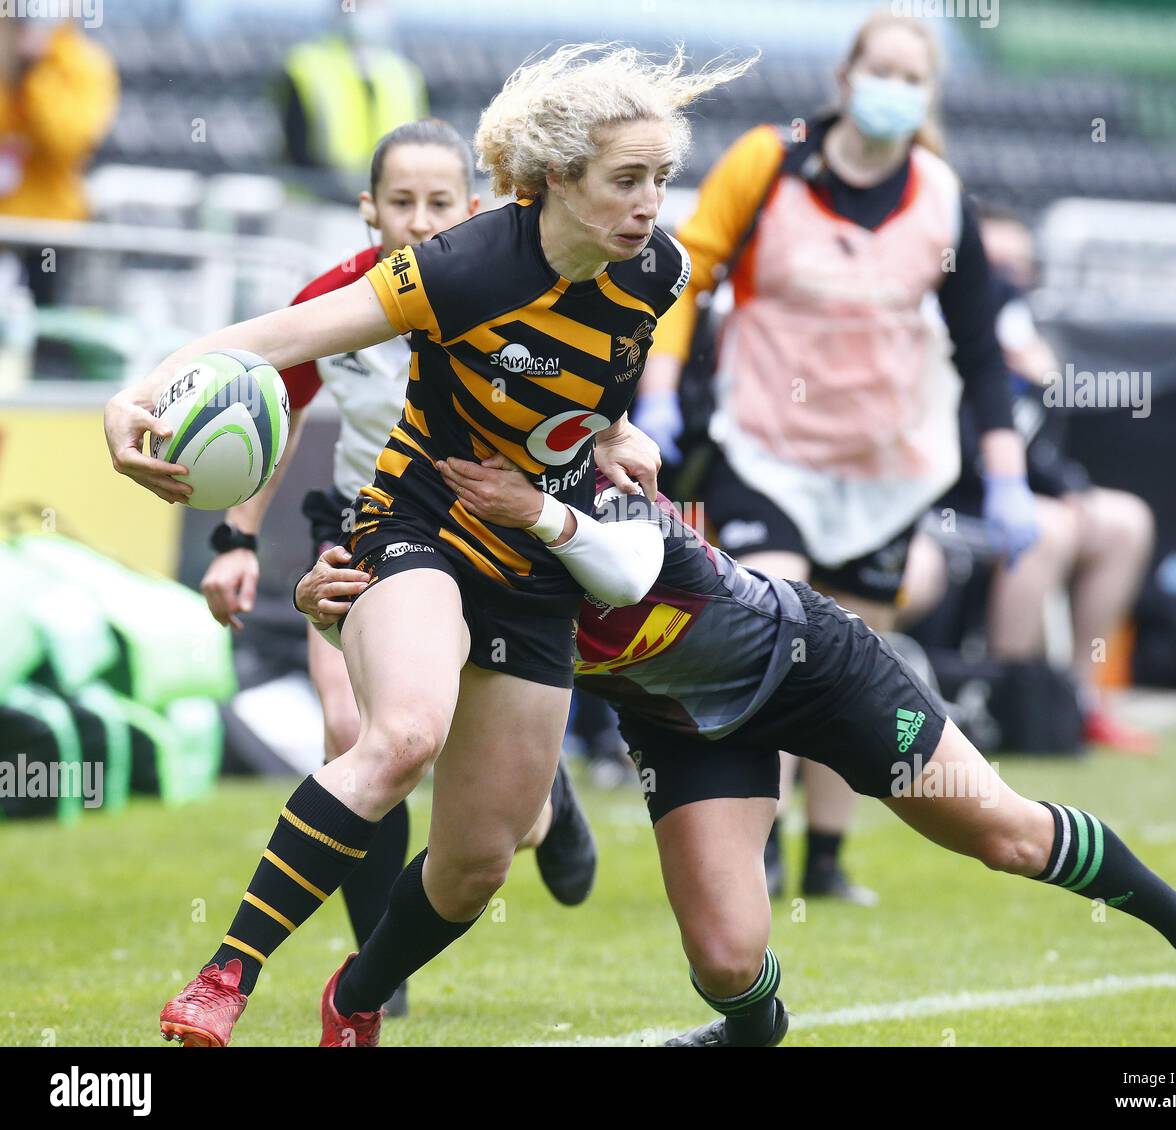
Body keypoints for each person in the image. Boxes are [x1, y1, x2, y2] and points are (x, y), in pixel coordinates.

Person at [104, 42, 754, 1047]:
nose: (650, 205)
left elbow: (585, 389)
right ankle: (225, 975)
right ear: (555, 179)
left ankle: (355, 995)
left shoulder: (655, 270)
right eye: (627, 180)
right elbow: (276, 339)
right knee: (402, 734)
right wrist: (136, 395)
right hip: (420, 527)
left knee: (476, 864)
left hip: (535, 567)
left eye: (661, 180)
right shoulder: (461, 267)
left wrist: (612, 434)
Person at [299, 454, 1176, 1048]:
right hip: (684, 725)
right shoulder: (441, 557)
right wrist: (333, 607)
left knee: (1007, 836)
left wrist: (547, 507)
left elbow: (627, 559)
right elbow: (411, 655)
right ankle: (751, 1030)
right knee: (728, 959)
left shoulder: (592, 492)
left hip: (818, 669)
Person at [196, 119, 600, 1021]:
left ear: (476, 206)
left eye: (439, 202)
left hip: (493, 543)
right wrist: (236, 539)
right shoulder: (334, 301)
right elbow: (271, 412)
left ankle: (547, 804)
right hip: (366, 527)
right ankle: (380, 971)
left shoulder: (511, 288)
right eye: (402, 202)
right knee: (359, 731)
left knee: (490, 818)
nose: (420, 220)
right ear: (368, 209)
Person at [636, 11, 1038, 904]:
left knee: (856, 651)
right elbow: (683, 278)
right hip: (765, 446)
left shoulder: (940, 196)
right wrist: (658, 389)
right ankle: (761, 849)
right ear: (847, 77)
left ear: (928, 94)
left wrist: (1007, 474)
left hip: (884, 467)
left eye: (912, 76)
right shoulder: (769, 163)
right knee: (772, 632)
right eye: (879, 69)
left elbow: (980, 350)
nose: (893, 88)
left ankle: (825, 856)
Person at [909, 209, 1159, 753]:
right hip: (949, 504)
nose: (1008, 279)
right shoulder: (936, 329)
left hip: (1016, 495)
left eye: (1019, 266)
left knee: (1126, 522)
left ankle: (1080, 700)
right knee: (1048, 530)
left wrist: (1046, 400)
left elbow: (1041, 445)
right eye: (995, 265)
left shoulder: (1027, 335)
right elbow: (966, 447)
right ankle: (1004, 702)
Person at [0, 13, 119, 303]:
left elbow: (67, 142)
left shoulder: (83, 64)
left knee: (47, 319)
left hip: (50, 226)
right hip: (6, 218)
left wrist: (36, 72)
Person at [279, 0, 428, 199]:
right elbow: (295, 148)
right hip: (317, 201)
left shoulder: (404, 74)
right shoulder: (305, 66)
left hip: (386, 200)